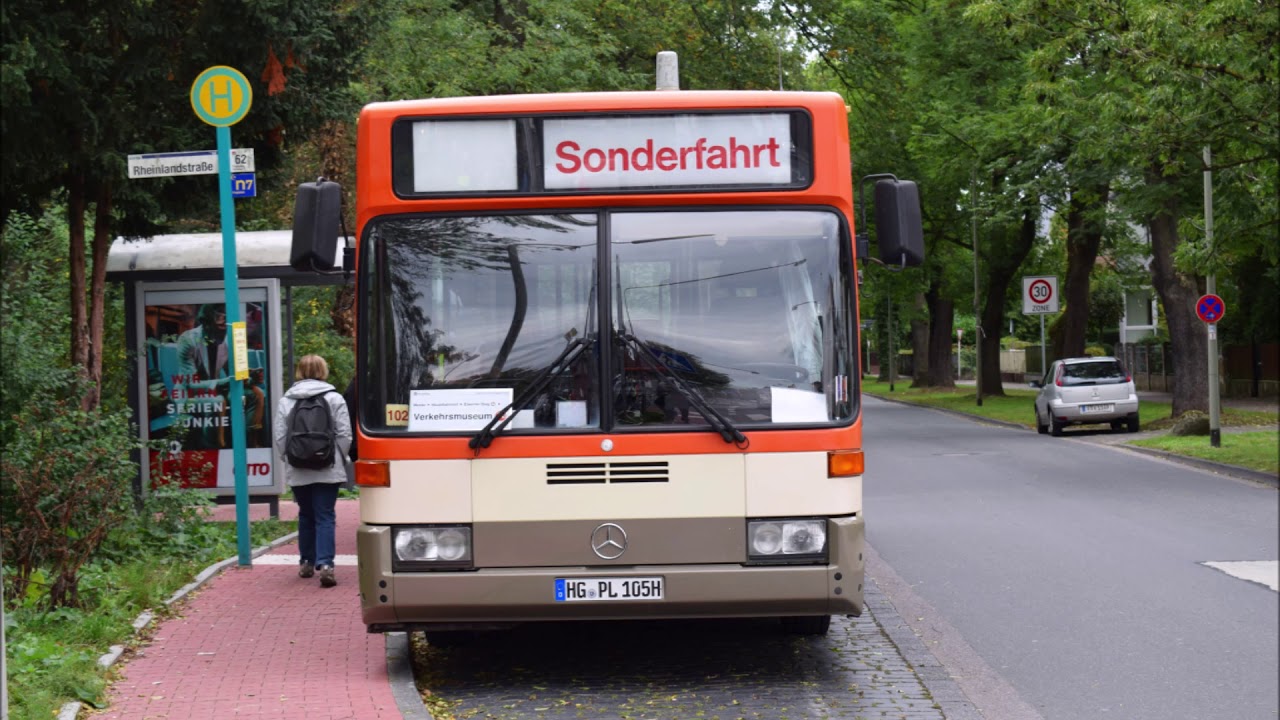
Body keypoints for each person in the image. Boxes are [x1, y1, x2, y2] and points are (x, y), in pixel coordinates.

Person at [274, 354, 352, 588]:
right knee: (325, 515)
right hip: (328, 466)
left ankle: (306, 562)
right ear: (323, 371)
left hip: (298, 468)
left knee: (306, 515)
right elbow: (344, 434)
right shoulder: (334, 398)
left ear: (299, 371)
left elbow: (280, 437)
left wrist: (288, 458)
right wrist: (340, 456)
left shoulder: (286, 401)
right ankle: (326, 564)